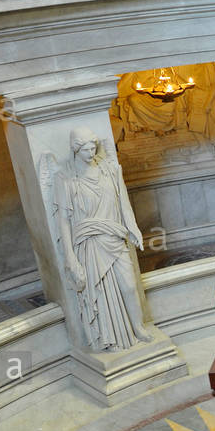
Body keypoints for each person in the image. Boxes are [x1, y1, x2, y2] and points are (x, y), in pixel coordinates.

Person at [50, 128, 152, 352]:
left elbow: (123, 202)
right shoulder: (65, 179)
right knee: (100, 291)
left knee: (129, 286)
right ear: (75, 149)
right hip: (89, 243)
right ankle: (111, 337)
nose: (90, 153)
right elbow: (64, 222)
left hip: (114, 237)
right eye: (85, 149)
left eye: (93, 148)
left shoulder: (108, 170)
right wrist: (70, 258)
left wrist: (133, 228)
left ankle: (137, 327)